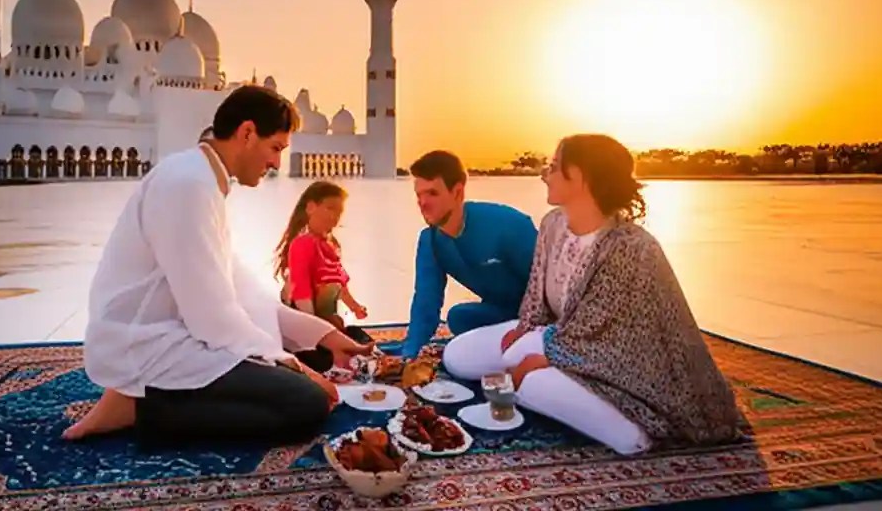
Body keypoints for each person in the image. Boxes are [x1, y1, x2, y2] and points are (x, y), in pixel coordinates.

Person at [63, 85, 373, 447]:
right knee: (307, 403)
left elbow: (239, 287)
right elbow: (213, 319)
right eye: (275, 148)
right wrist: (297, 369)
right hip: (147, 343)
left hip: (179, 328)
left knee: (320, 356)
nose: (276, 163)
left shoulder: (204, 181)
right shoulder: (188, 186)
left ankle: (158, 396)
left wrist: (323, 335)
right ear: (246, 134)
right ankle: (141, 407)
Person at [441, 134, 747, 455]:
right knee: (459, 356)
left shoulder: (630, 247)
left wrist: (540, 360)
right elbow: (536, 296)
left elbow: (601, 333)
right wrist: (523, 330)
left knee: (530, 381)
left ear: (583, 177)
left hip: (628, 365)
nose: (545, 174)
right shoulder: (553, 224)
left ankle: (635, 430)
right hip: (562, 336)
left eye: (556, 167)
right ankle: (549, 377)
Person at [400, 150, 538, 359]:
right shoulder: (431, 241)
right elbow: (426, 302)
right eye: (419, 195)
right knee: (459, 317)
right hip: (499, 314)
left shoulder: (508, 225)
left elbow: (548, 289)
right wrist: (409, 354)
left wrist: (530, 331)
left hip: (538, 321)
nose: (423, 203)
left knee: (458, 356)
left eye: (432, 193)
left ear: (457, 192)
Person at [274, 180, 374, 371]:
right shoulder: (302, 244)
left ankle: (343, 350)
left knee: (359, 337)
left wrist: (355, 307)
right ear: (311, 207)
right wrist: (321, 335)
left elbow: (339, 283)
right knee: (331, 360)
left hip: (327, 322)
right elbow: (302, 295)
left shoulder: (331, 244)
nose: (335, 217)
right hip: (305, 328)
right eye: (330, 208)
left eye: (339, 212)